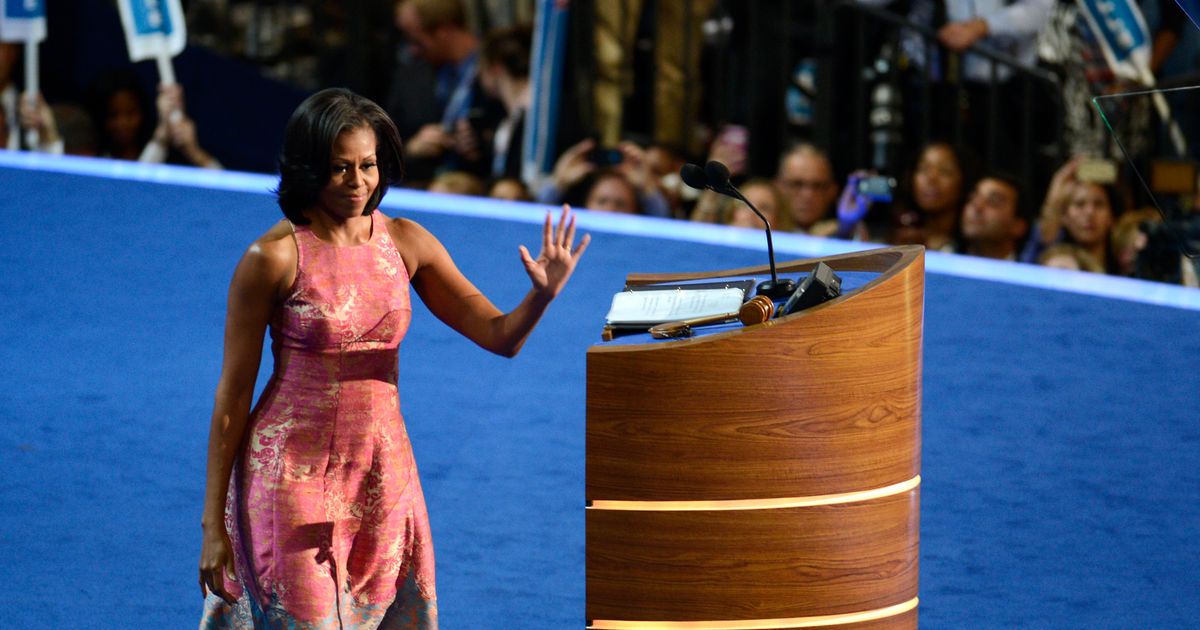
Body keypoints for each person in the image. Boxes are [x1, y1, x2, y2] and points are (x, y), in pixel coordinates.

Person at [198, 88, 589, 627]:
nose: (358, 183)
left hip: (382, 472)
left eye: (368, 165)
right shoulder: (272, 258)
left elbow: (501, 337)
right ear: (308, 168)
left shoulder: (405, 242)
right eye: (340, 168)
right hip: (290, 476)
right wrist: (211, 526)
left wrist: (541, 295)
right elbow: (232, 397)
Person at [773, 143, 839, 236]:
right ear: (778, 187)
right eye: (797, 184)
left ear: (832, 191)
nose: (808, 195)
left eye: (818, 186)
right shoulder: (756, 233)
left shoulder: (846, 236)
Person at [959, 173, 1028, 260]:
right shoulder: (943, 256)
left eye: (993, 201)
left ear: (1018, 226)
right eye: (972, 198)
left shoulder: (1030, 272)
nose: (977, 206)